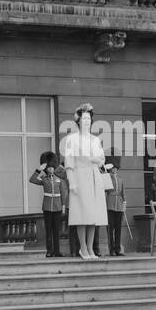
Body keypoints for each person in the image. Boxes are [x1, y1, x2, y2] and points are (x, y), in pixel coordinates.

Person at [62, 103, 107, 260]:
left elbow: (102, 159)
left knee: (92, 216)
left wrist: (94, 158)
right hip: (80, 177)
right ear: (78, 121)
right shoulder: (71, 139)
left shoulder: (95, 140)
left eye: (89, 118)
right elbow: (69, 162)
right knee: (82, 214)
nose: (87, 121)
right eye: (84, 118)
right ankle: (83, 248)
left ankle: (90, 248)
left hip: (94, 176)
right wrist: (72, 181)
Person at [30, 151, 66, 258]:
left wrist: (63, 207)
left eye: (52, 167)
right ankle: (49, 251)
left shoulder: (59, 180)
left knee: (56, 231)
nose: (50, 169)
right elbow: (32, 180)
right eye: (49, 167)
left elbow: (63, 194)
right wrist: (39, 169)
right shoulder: (44, 179)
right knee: (48, 230)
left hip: (58, 207)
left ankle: (57, 251)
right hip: (47, 207)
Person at [104, 158, 126, 257]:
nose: (115, 170)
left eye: (116, 168)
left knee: (118, 229)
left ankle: (118, 249)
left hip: (119, 205)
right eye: (113, 168)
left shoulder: (120, 179)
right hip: (110, 204)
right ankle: (111, 249)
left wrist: (123, 206)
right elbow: (106, 191)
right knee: (110, 228)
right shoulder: (107, 177)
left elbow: (123, 194)